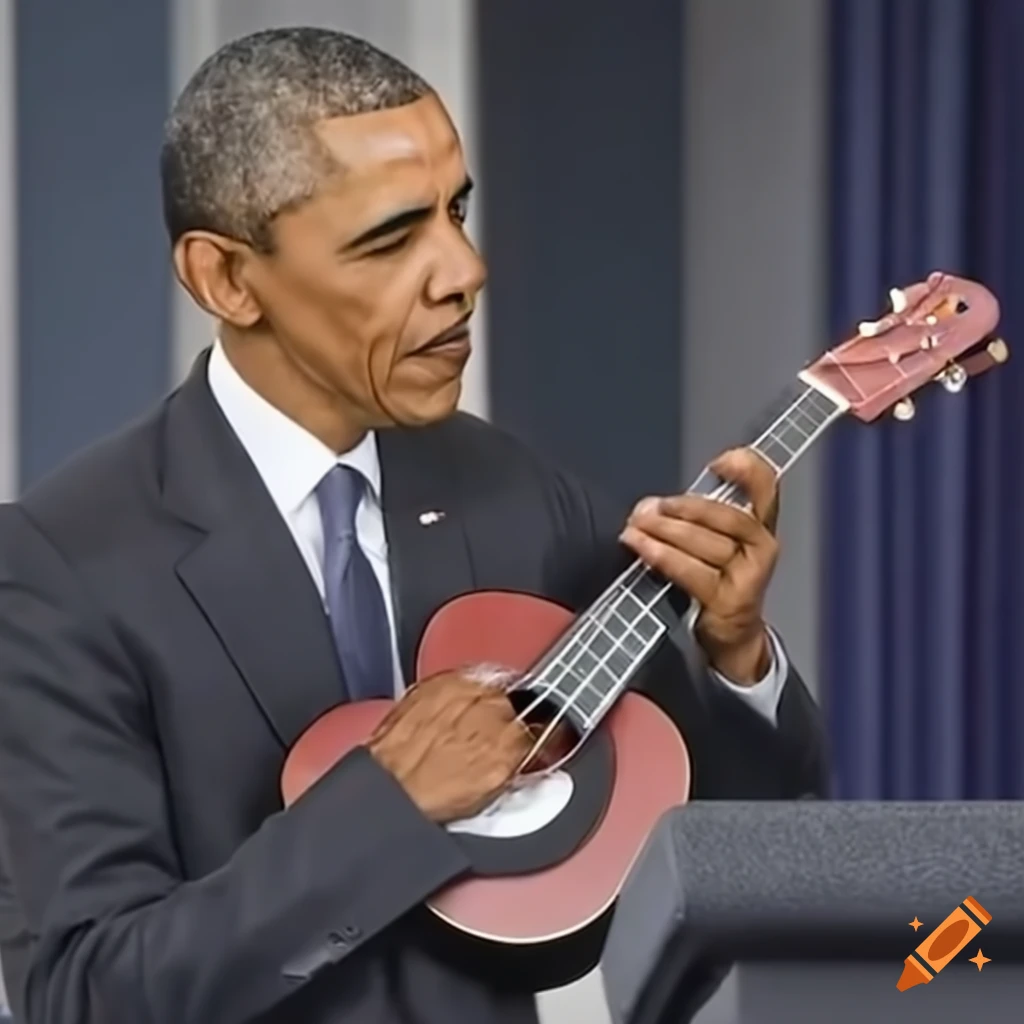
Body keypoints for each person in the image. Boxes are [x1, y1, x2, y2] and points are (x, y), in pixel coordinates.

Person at [0, 27, 828, 1024]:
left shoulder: (521, 492)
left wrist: (736, 658)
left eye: (457, 211)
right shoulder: (60, 567)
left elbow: (721, 863)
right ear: (225, 278)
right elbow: (84, 993)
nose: (463, 271)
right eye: (392, 238)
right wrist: (386, 807)